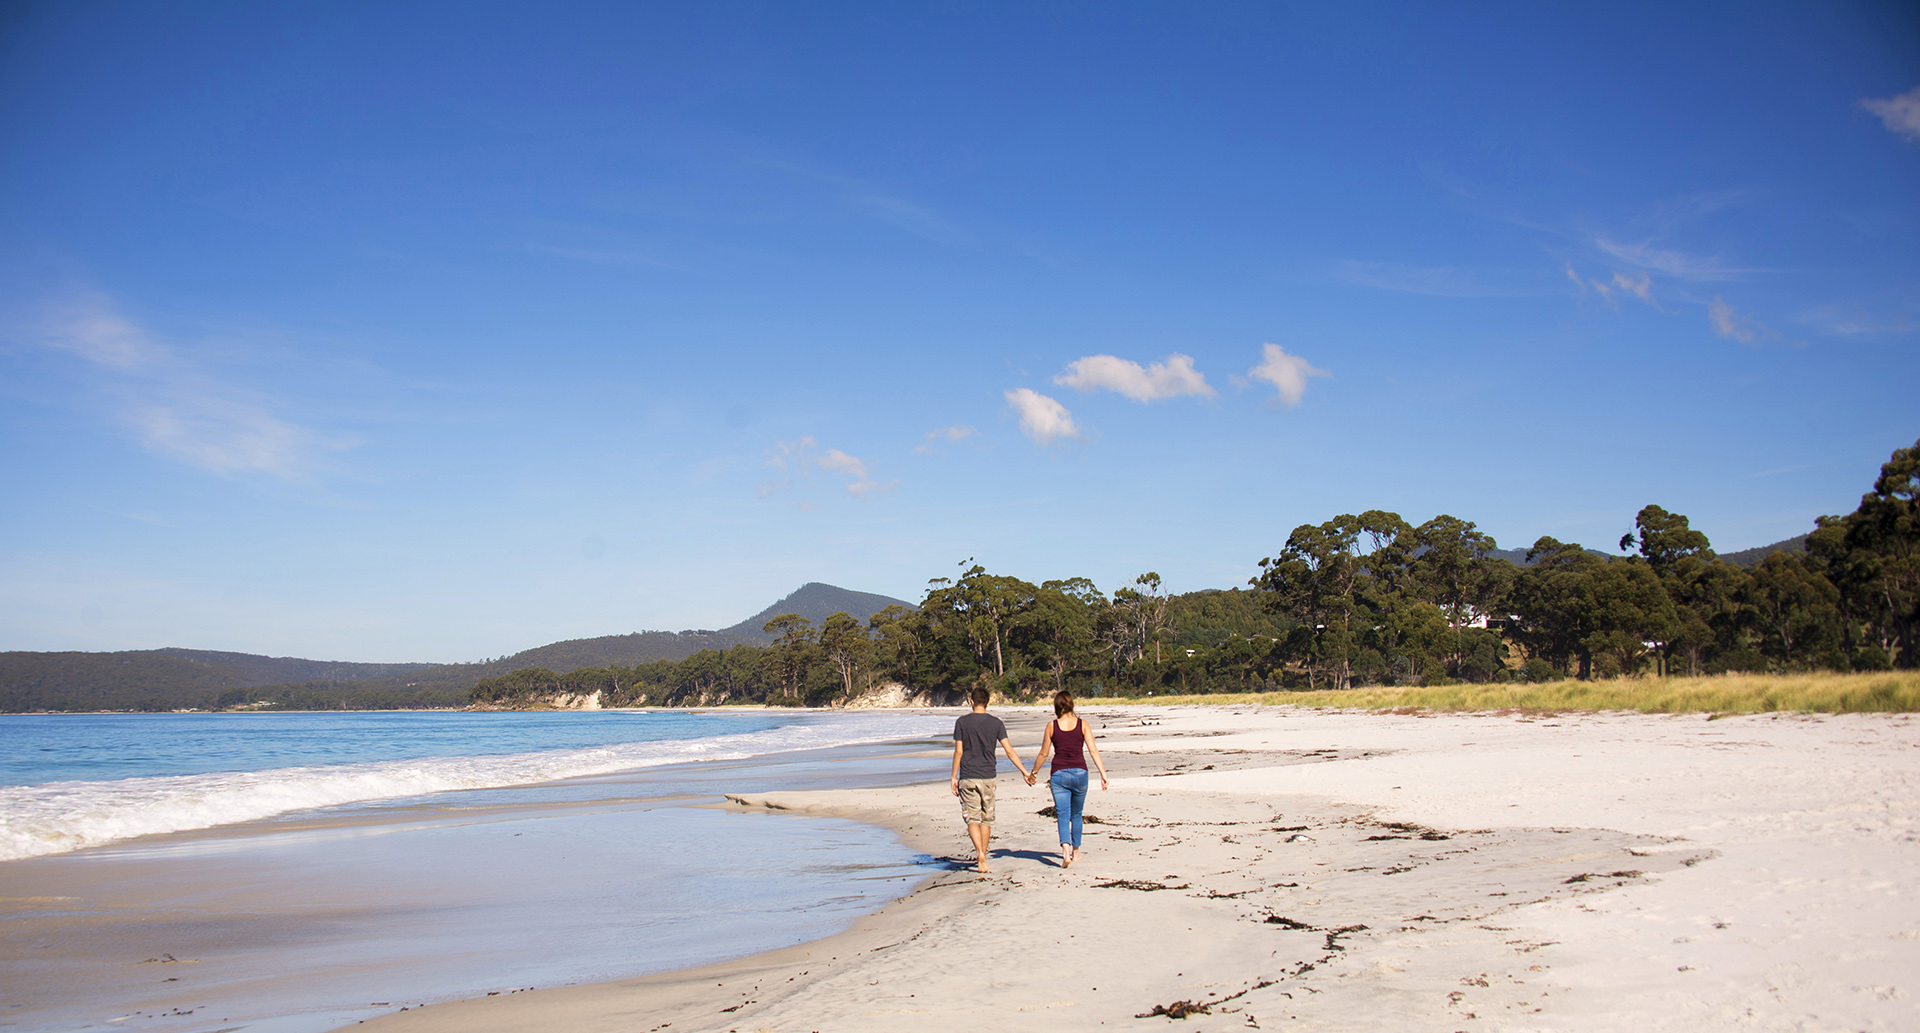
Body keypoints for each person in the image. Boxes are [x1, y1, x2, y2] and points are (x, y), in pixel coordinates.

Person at [950, 685, 1035, 874]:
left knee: (972, 818)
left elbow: (958, 751)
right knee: (986, 820)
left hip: (968, 775)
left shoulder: (961, 722)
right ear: (988, 703)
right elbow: (1009, 750)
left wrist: (953, 776)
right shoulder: (996, 723)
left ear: (971, 702)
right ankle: (984, 856)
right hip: (988, 776)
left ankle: (979, 853)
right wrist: (1024, 771)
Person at [1031, 689, 1108, 868]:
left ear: (1056, 707)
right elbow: (1093, 750)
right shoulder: (1083, 724)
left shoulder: (1052, 725)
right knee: (1076, 814)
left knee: (1063, 814)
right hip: (1080, 773)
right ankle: (1076, 853)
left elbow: (1043, 753)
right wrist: (1103, 774)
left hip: (1059, 775)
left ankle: (1065, 851)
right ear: (1071, 705)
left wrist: (1034, 772)